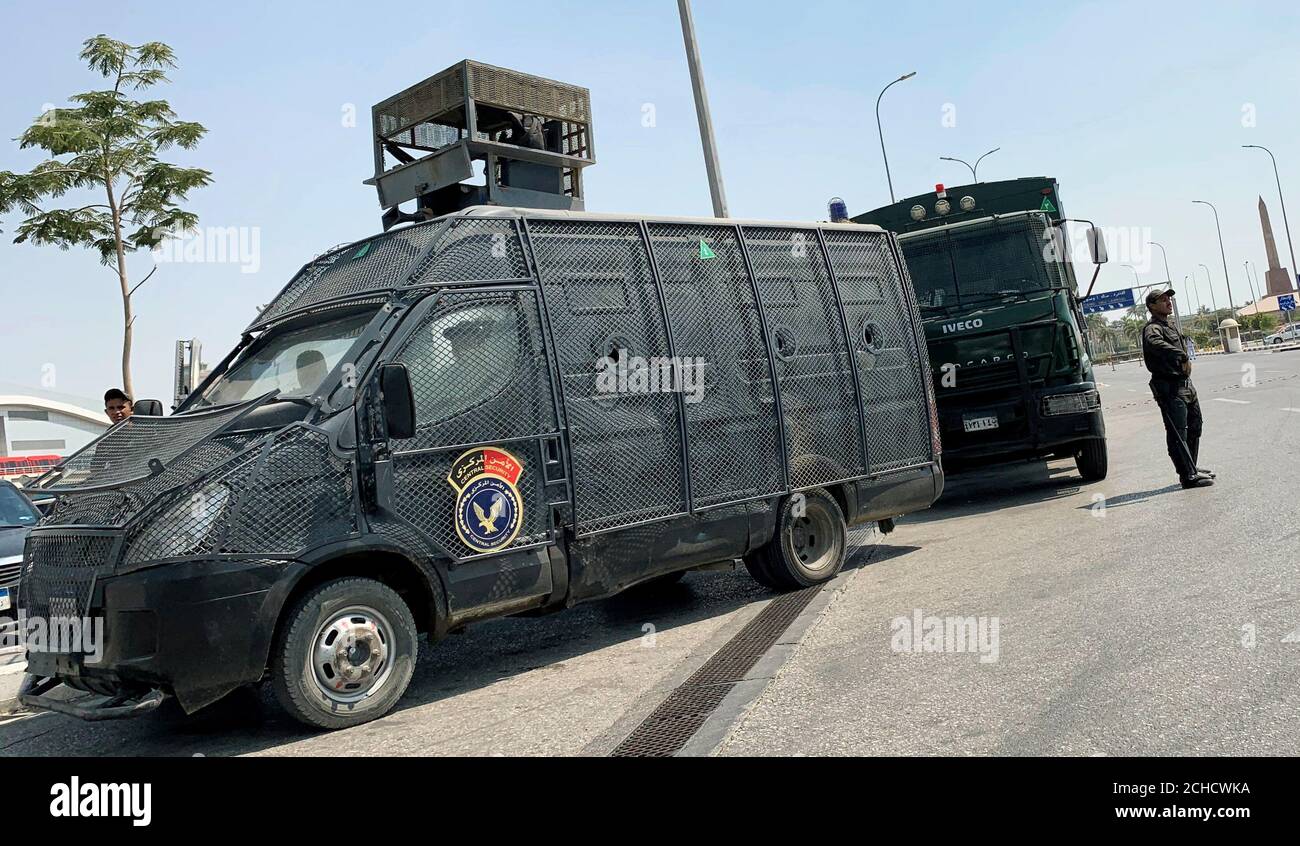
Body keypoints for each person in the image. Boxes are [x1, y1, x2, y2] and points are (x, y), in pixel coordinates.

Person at [1141, 289, 1213, 489]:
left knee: (1196, 425)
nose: (1168, 302)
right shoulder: (1153, 328)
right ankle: (1187, 476)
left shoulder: (1169, 325)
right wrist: (1180, 354)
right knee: (1177, 432)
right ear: (1152, 306)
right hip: (1169, 387)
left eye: (1169, 299)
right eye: (1163, 300)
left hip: (1186, 384)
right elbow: (1153, 342)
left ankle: (1191, 466)